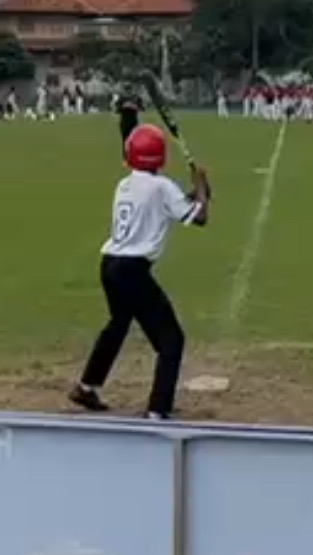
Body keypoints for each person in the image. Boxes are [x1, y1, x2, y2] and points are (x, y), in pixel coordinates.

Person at [70, 125, 211, 421]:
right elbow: (200, 217)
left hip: (110, 265)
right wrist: (201, 187)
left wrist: (198, 192)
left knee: (118, 324)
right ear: (161, 157)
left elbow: (172, 206)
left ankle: (86, 387)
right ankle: (158, 410)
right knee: (171, 340)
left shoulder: (126, 185)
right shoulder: (161, 187)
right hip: (132, 271)